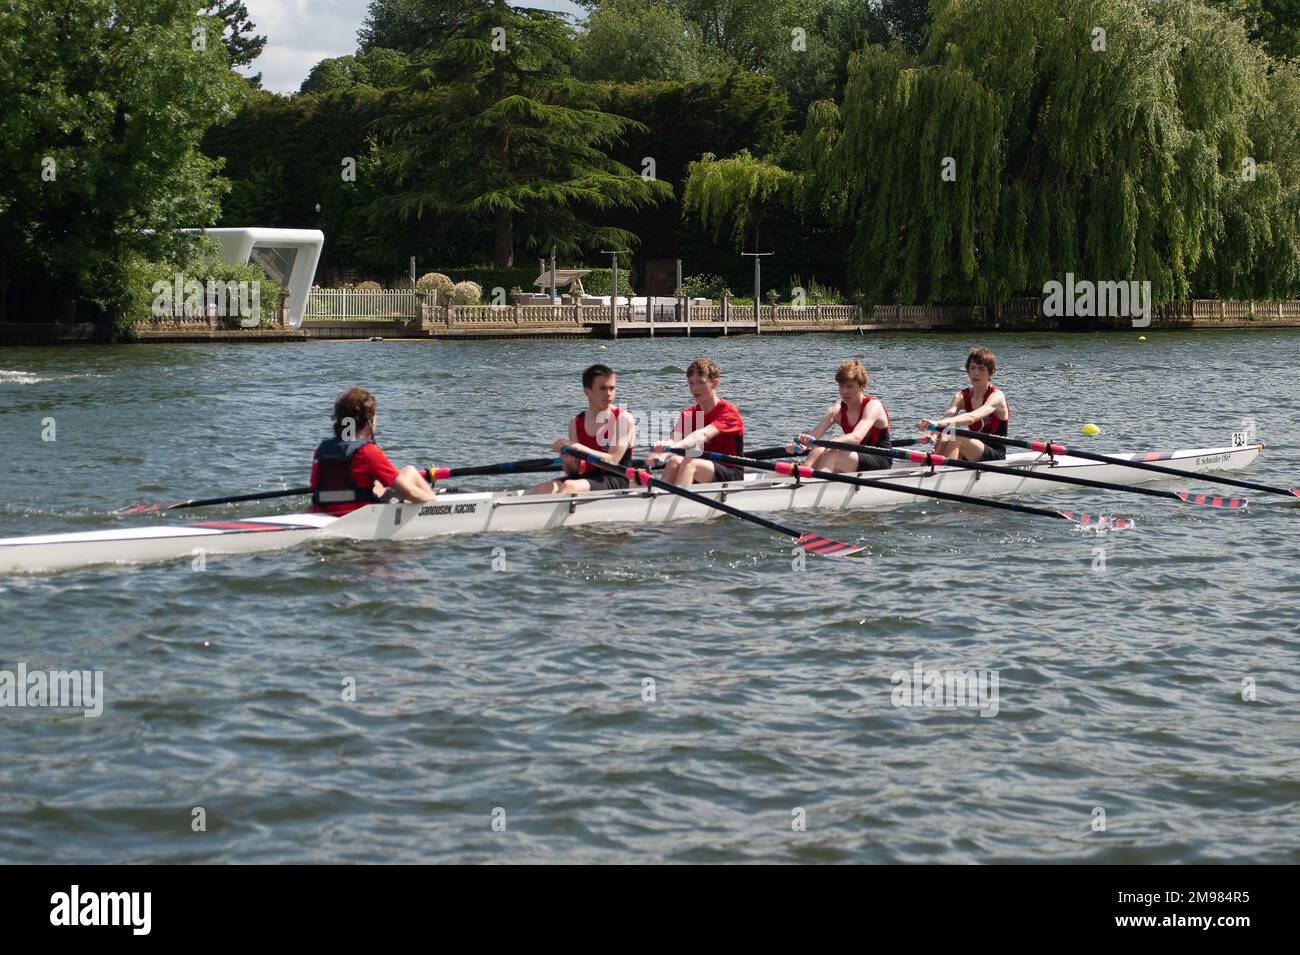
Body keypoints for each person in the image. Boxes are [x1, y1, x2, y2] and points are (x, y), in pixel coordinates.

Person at [310, 387, 436, 514]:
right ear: (369, 422)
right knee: (410, 471)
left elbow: (315, 487)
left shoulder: (321, 450)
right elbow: (410, 493)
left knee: (379, 484)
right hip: (361, 515)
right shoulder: (368, 452)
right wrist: (433, 500)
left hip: (326, 511)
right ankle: (437, 508)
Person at [529, 363, 637, 494]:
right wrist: (568, 461)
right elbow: (573, 471)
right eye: (602, 388)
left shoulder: (623, 419)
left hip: (617, 478)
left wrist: (578, 448)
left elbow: (613, 460)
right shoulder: (576, 422)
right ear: (587, 392)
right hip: (587, 478)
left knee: (570, 486)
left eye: (612, 388)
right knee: (542, 489)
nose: (609, 394)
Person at [648, 356, 745, 486]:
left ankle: (680, 502)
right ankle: (660, 499)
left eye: (701, 382)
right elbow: (673, 439)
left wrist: (676, 447)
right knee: (675, 460)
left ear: (715, 383)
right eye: (691, 383)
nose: (695, 388)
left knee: (689, 462)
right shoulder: (689, 413)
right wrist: (661, 453)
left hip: (731, 471)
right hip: (702, 466)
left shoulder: (729, 412)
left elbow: (702, 435)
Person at [793, 359, 892, 472]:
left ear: (863, 386)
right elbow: (815, 435)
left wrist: (830, 443)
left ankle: (817, 483)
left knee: (832, 454)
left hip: (880, 459)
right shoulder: (837, 409)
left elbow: (856, 437)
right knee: (818, 449)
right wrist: (801, 444)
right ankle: (802, 477)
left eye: (849, 386)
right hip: (854, 455)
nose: (845, 391)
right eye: (841, 386)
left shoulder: (873, 406)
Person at [917, 346, 1011, 461]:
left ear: (991, 373)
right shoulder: (961, 396)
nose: (976, 373)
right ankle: (930, 468)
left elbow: (972, 417)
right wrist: (934, 434)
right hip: (972, 449)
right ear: (967, 370)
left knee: (957, 435)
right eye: (972, 368)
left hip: (995, 454)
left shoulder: (996, 396)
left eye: (981, 369)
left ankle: (946, 474)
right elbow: (949, 416)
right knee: (946, 433)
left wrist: (937, 423)